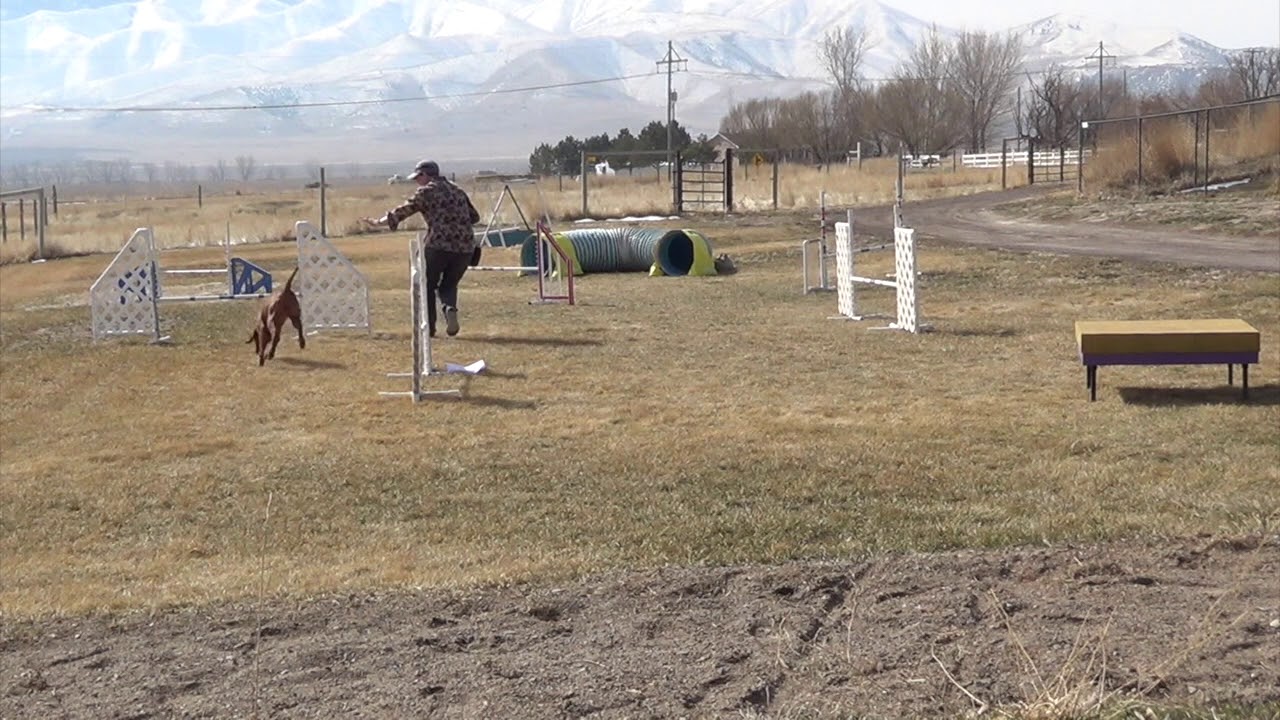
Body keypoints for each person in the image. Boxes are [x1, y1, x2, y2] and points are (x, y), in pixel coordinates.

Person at [364, 160, 481, 337]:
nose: (417, 181)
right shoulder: (458, 191)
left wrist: (377, 223)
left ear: (426, 175)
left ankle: (430, 328)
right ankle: (450, 309)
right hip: (465, 247)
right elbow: (474, 217)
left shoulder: (426, 192)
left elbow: (402, 211)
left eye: (418, 177)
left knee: (427, 285)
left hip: (438, 245)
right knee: (449, 285)